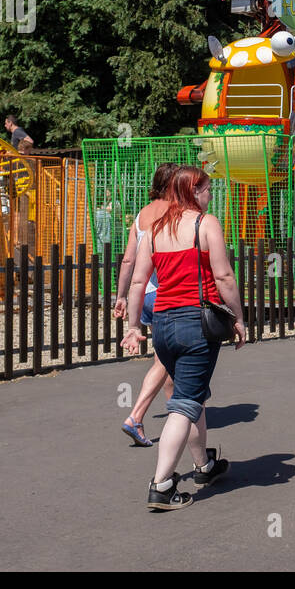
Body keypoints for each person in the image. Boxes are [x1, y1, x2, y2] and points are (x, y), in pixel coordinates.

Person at [121, 166, 247, 511]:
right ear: (194, 191)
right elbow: (223, 275)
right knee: (184, 405)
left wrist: (133, 326)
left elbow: (137, 281)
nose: (210, 195)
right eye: (206, 189)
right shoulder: (205, 224)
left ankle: (203, 466)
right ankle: (161, 484)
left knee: (191, 396)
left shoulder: (155, 229)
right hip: (196, 321)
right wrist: (239, 319)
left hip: (163, 322)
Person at [114, 163, 179, 447]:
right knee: (166, 359)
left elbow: (128, 260)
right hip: (167, 292)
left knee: (162, 358)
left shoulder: (141, 215)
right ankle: (137, 415)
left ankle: (175, 412)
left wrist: (121, 295)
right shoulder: (175, 213)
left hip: (144, 295)